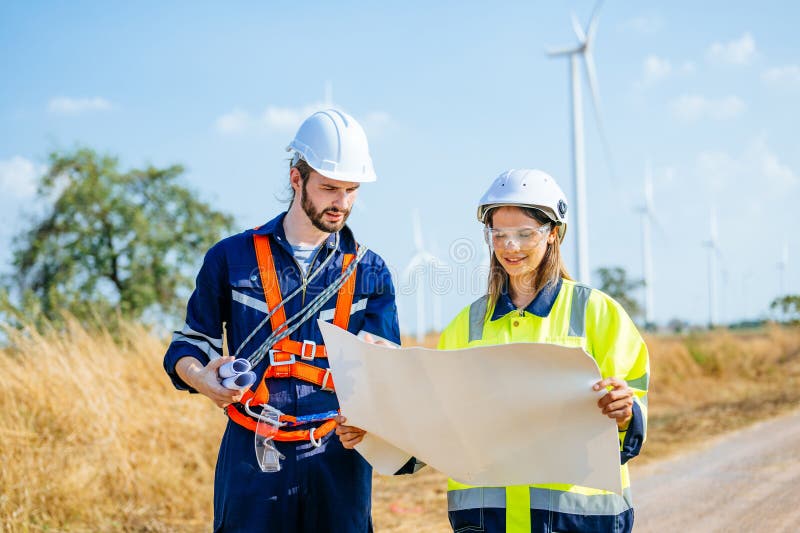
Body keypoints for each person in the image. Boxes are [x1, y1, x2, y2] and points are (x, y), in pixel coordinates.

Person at [163, 109, 403, 532]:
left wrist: (375, 409)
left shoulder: (371, 270)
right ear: (297, 179)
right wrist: (203, 379)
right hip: (253, 458)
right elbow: (188, 346)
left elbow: (384, 372)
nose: (342, 203)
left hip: (338, 460)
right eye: (329, 188)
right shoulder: (230, 258)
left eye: (352, 189)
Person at [438, 169, 649, 532]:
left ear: (552, 234)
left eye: (524, 234)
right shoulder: (466, 325)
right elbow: (434, 416)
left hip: (579, 520)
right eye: (498, 235)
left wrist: (627, 411)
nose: (510, 246)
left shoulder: (598, 313)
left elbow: (634, 400)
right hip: (488, 521)